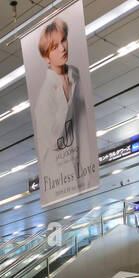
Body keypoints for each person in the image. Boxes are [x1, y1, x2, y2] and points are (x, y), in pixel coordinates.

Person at [32, 17, 86, 191]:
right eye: (54, 47)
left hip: (81, 166)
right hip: (59, 176)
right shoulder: (44, 96)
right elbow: (53, 140)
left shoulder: (75, 75)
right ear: (47, 56)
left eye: (63, 40)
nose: (62, 48)